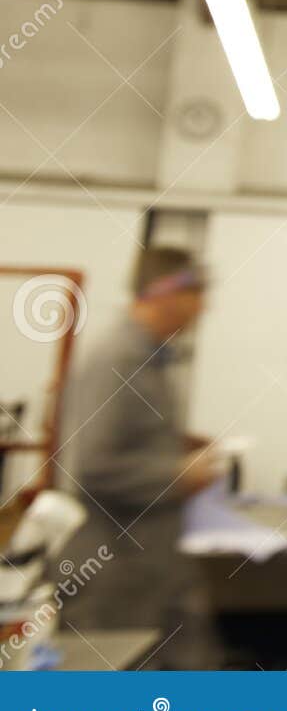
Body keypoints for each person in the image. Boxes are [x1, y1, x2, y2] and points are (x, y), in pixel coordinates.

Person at [55, 246, 221, 668]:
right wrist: (179, 475)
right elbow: (90, 468)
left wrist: (177, 446)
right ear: (165, 292)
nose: (203, 308)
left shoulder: (151, 358)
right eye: (196, 295)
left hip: (153, 569)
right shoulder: (119, 357)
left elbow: (129, 440)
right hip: (114, 578)